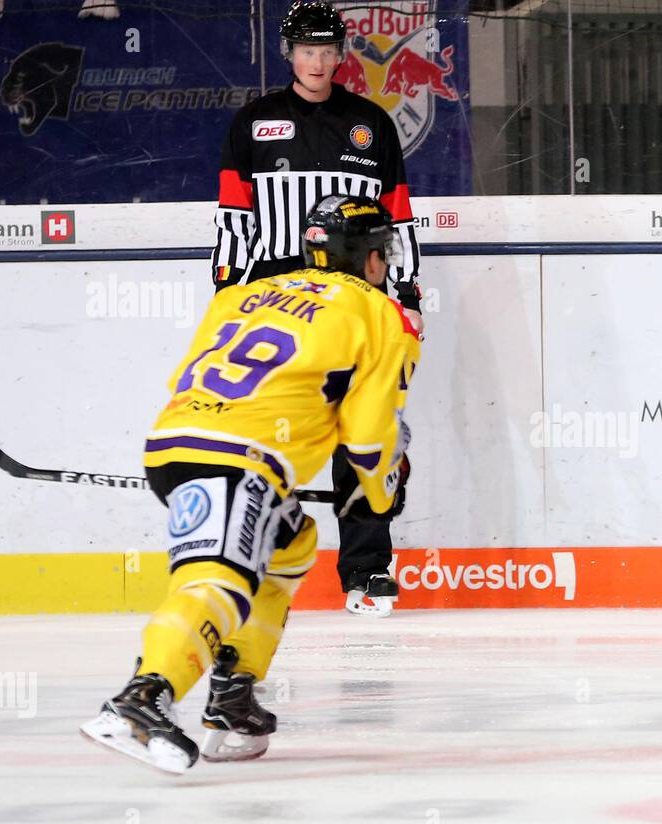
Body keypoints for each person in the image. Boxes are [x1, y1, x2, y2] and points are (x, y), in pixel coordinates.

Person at [81, 196, 422, 773]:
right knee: (219, 581)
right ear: (366, 258)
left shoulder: (242, 292)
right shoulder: (381, 314)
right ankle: (141, 699)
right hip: (243, 458)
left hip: (178, 439)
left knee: (291, 545)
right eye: (380, 251)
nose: (384, 262)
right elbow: (366, 438)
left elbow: (187, 372)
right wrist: (382, 490)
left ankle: (232, 696)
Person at [211, 0, 423, 618]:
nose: (318, 62)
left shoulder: (371, 124)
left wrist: (406, 294)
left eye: (328, 51)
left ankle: (367, 571)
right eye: (307, 51)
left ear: (340, 55)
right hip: (279, 300)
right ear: (289, 53)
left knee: (361, 430)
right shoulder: (253, 123)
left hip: (356, 303)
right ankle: (248, 559)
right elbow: (234, 220)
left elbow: (399, 220)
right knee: (270, 427)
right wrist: (227, 296)